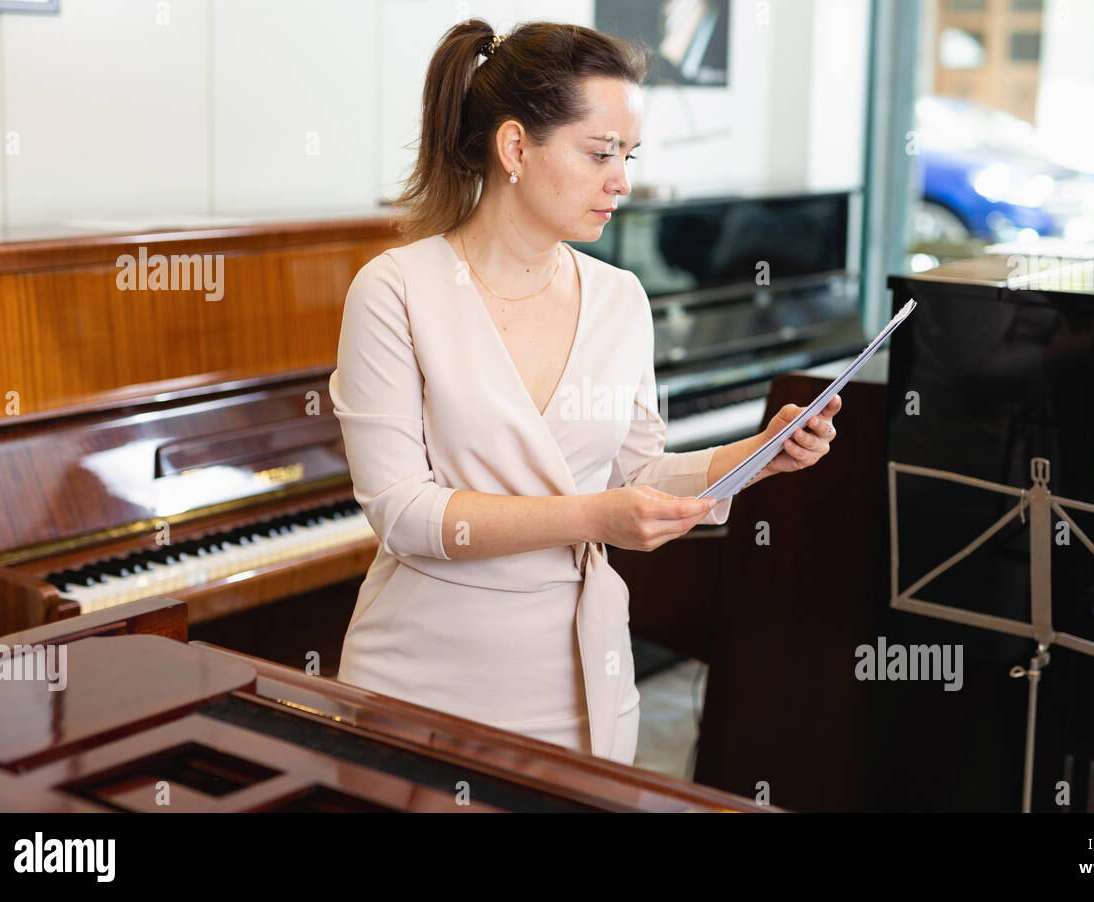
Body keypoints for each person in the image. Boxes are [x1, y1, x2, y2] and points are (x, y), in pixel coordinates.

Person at [329, 18, 840, 766]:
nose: (622, 181)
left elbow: (633, 474)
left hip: (581, 671)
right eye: (601, 153)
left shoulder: (620, 297)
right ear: (514, 148)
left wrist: (754, 455)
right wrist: (595, 516)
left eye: (628, 155)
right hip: (424, 674)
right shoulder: (395, 291)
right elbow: (403, 513)